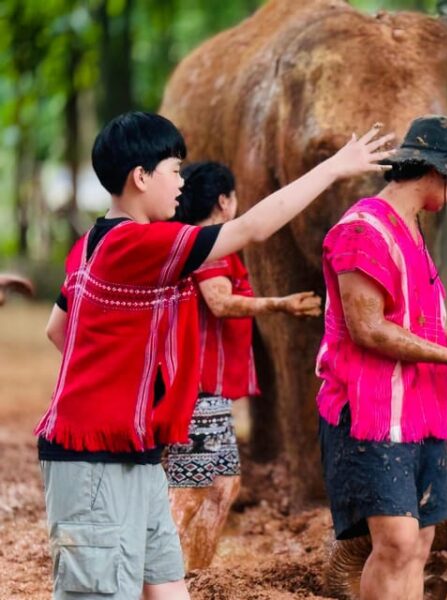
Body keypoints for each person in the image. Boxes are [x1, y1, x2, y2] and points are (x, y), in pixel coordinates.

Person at [36, 111, 392, 600]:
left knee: (167, 587)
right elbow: (251, 229)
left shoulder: (90, 244)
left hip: (129, 454)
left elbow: (59, 329)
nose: (182, 184)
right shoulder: (137, 243)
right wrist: (332, 168)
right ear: (140, 177)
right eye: (175, 170)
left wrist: (120, 383)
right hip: (94, 461)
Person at [316, 115, 447, 600]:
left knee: (420, 541)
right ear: (435, 170)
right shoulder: (363, 230)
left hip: (418, 413)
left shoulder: (413, 232)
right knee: (396, 542)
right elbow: (369, 329)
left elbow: (411, 322)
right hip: (370, 412)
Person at [165, 160, 321, 570]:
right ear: (224, 200)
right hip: (195, 387)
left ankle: (192, 574)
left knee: (223, 485)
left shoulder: (202, 242)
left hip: (206, 388)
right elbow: (219, 301)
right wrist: (279, 304)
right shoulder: (208, 245)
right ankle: (153, 579)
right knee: (190, 488)